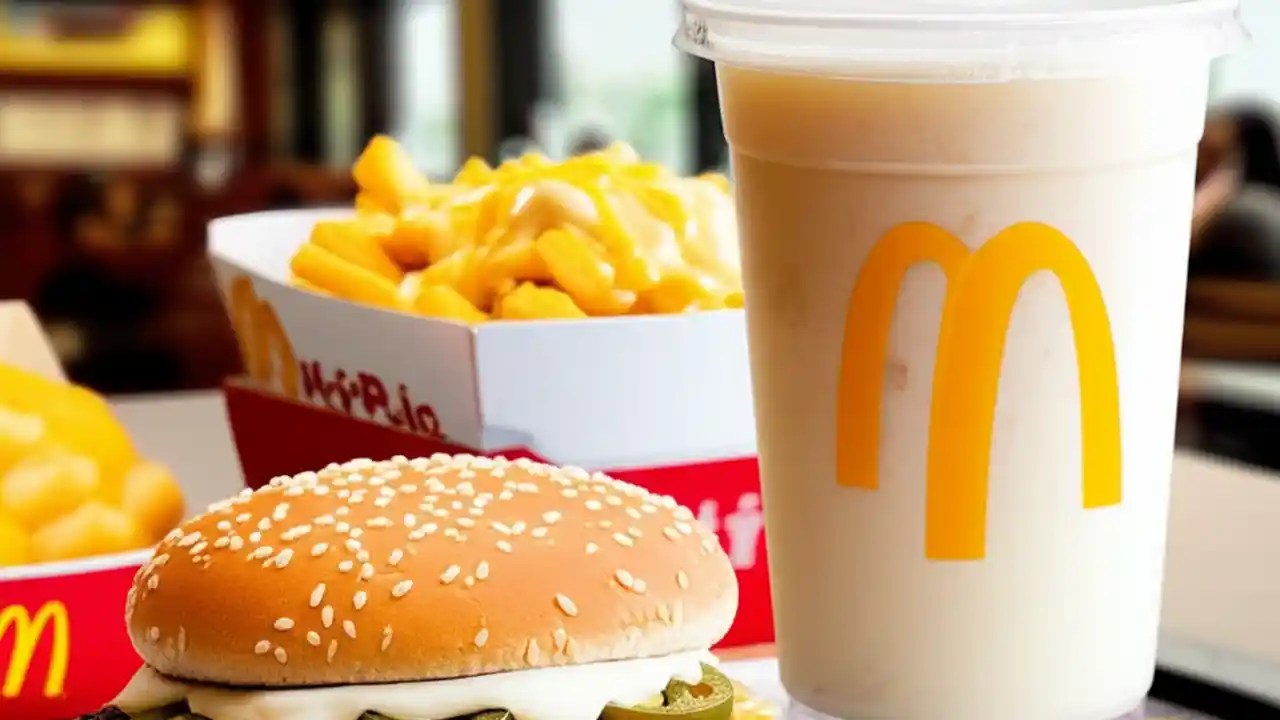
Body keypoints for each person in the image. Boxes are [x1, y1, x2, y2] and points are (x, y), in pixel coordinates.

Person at [1184, 105, 1280, 360]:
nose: (1194, 160)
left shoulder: (1254, 212)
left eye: (1209, 153)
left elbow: (1175, 245)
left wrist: (1221, 183)